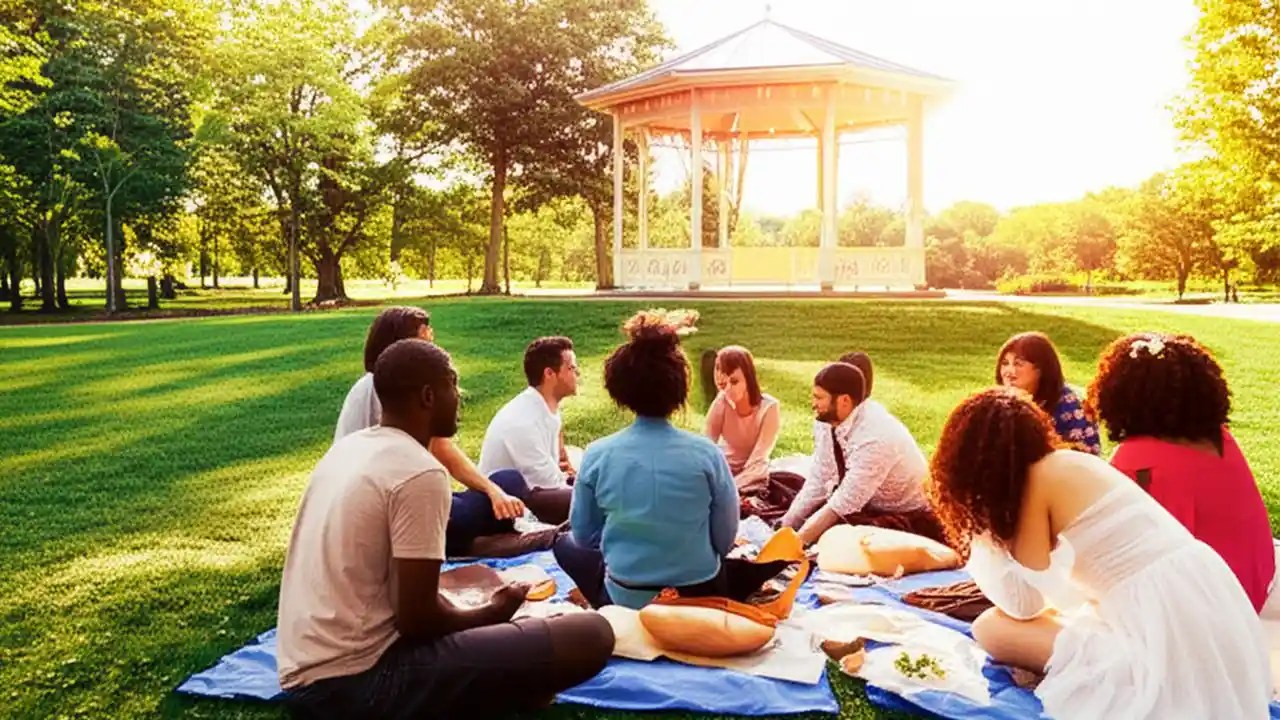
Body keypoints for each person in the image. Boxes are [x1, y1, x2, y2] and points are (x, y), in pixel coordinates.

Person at [278, 338, 615, 719]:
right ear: (427, 396)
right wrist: (493, 612)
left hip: (299, 670)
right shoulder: (419, 472)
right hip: (358, 682)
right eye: (453, 384)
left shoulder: (350, 449)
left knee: (477, 584)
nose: (460, 396)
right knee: (592, 634)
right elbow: (418, 620)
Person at [928, 387, 1271, 720]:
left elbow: (1024, 602)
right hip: (1208, 606)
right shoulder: (1069, 463)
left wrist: (980, 532)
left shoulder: (1038, 480)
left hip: (1162, 628)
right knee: (1065, 620)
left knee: (991, 628)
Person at [553, 311, 740, 609]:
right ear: (680, 387)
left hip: (628, 597)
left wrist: (631, 542)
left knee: (562, 542)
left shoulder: (598, 455)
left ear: (620, 388)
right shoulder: (708, 455)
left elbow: (584, 535)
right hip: (702, 595)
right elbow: (725, 540)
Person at [333, 306, 550, 556]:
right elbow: (441, 449)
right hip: (392, 513)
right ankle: (470, 544)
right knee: (502, 492)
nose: (433, 346)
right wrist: (493, 492)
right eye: (424, 341)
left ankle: (472, 539)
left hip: (389, 504)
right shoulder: (391, 390)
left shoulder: (373, 386)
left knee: (506, 482)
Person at [1086, 332, 1275, 611]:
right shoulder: (1221, 440)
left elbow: (1103, 559)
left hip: (1197, 613)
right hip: (1250, 590)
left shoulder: (1136, 462)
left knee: (1001, 628)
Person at [779, 362, 942, 546]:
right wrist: (786, 526)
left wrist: (794, 546)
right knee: (807, 515)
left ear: (844, 401)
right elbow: (820, 478)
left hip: (908, 515)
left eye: (819, 398)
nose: (813, 404)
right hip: (864, 505)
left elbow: (843, 503)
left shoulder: (876, 436)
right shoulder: (827, 421)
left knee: (840, 541)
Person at [477, 336, 580, 524]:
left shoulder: (544, 408)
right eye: (572, 368)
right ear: (549, 373)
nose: (578, 374)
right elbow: (547, 483)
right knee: (593, 501)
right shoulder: (521, 420)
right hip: (514, 505)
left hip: (537, 491)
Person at [995, 331, 1100, 455]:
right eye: (1005, 363)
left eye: (1018, 364)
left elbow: (1081, 454)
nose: (1009, 372)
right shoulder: (1001, 400)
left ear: (1041, 369)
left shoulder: (1069, 404)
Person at [704, 345, 781, 495]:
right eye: (722, 385)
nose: (728, 391)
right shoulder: (722, 402)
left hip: (752, 472)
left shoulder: (769, 408)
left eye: (734, 382)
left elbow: (759, 457)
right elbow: (706, 445)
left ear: (748, 379)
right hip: (724, 468)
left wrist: (731, 487)